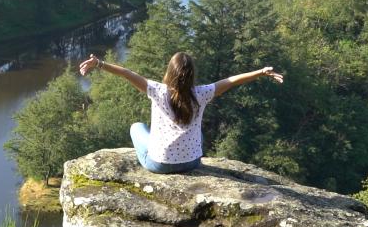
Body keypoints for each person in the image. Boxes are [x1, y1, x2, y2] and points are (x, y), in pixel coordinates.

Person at [77, 51, 283, 174]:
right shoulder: (202, 93)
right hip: (191, 163)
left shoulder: (157, 90)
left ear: (169, 72)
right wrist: (260, 72)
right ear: (192, 75)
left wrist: (99, 64)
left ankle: (155, 154)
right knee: (198, 134)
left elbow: (127, 74)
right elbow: (232, 80)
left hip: (158, 164)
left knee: (137, 127)